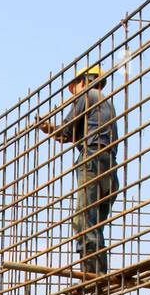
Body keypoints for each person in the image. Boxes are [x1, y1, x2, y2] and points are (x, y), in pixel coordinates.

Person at [37, 64, 120, 276]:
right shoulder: (105, 103)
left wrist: (50, 128)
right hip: (109, 165)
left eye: (75, 86)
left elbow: (66, 130)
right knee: (95, 222)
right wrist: (52, 130)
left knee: (83, 219)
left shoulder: (88, 95)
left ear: (85, 81)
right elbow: (71, 134)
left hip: (91, 160)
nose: (73, 92)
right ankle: (99, 272)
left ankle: (90, 275)